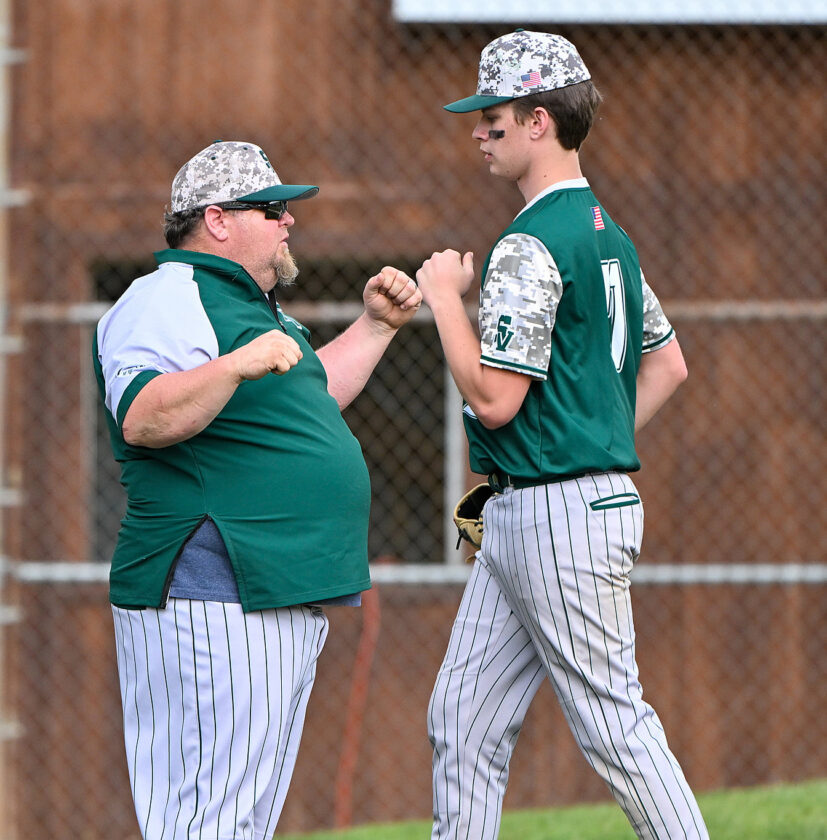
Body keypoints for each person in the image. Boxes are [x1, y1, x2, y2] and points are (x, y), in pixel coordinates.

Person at [415, 31, 709, 840]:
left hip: (557, 513)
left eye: (494, 117)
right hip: (545, 504)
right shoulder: (608, 233)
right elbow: (668, 366)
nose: (479, 130)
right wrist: (579, 446)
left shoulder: (529, 240)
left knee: (613, 726)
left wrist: (443, 296)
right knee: (463, 718)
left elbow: (495, 398)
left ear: (539, 120)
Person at [93, 140, 421, 839]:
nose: (287, 222)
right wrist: (236, 365)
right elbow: (145, 416)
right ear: (217, 220)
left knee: (233, 813)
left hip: (270, 584)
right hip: (212, 579)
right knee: (215, 812)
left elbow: (309, 402)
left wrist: (375, 328)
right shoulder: (166, 296)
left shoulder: (258, 311)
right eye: (271, 209)